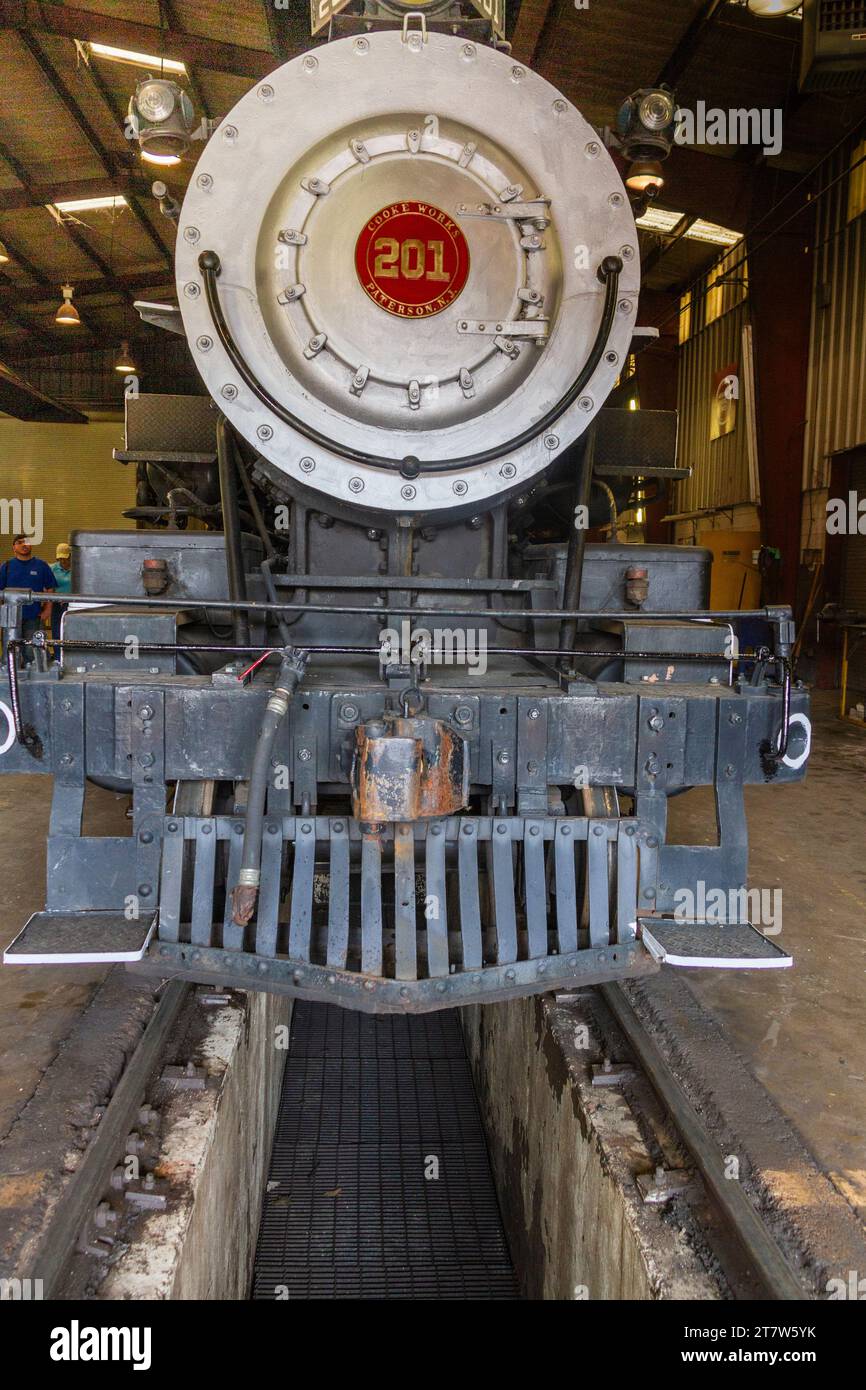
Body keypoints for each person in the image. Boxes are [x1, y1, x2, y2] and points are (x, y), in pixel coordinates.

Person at [0, 534, 56, 664]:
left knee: (33, 652)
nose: (24, 545)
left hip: (34, 617)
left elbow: (50, 589)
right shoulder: (6, 566)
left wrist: (47, 610)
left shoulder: (41, 566)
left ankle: (35, 679)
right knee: (10, 652)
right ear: (14, 547)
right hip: (10, 619)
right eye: (20, 543)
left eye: (27, 542)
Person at [50, 542, 72, 644]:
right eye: (60, 558)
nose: (63, 560)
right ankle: (58, 657)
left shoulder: (78, 569)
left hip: (73, 603)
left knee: (70, 630)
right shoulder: (52, 569)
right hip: (57, 604)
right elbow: (48, 586)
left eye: (65, 558)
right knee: (57, 630)